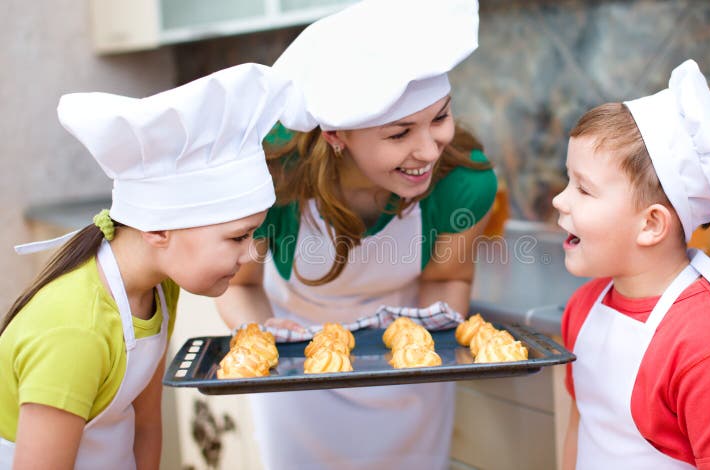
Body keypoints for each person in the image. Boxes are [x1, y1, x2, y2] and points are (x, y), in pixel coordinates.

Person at [214, 0, 496, 468]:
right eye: (399, 133)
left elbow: (448, 280)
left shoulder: (464, 183)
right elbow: (240, 285)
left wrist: (416, 345)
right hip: (297, 377)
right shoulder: (272, 178)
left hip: (408, 386)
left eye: (440, 117)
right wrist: (262, 333)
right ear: (336, 136)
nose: (428, 149)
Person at [0, 63, 290, 470]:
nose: (251, 256)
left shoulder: (159, 288)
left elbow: (145, 426)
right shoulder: (75, 332)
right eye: (238, 237)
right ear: (157, 230)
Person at [553, 59, 710, 470]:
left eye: (583, 189)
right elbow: (580, 430)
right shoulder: (583, 309)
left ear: (652, 224)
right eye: (568, 180)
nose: (559, 200)